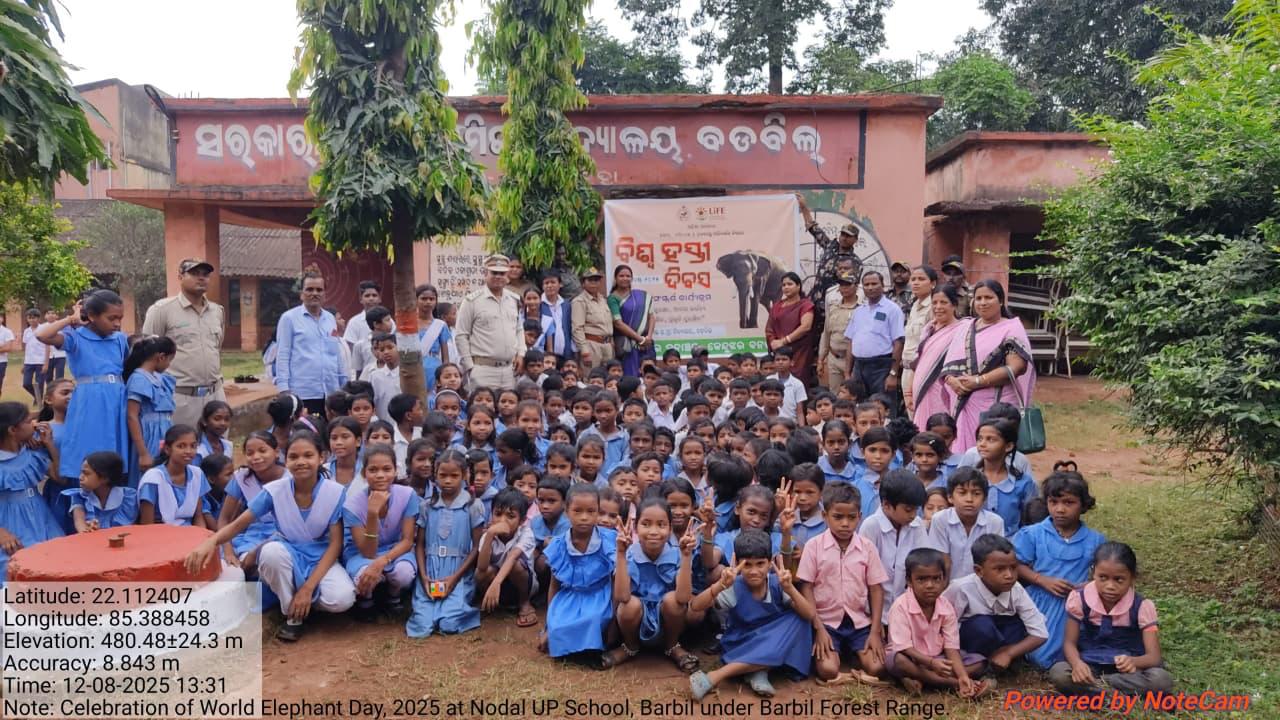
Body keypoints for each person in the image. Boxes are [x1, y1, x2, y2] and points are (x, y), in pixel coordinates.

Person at [186, 431, 356, 642]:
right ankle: (292, 614)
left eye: (308, 456)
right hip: (286, 552)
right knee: (271, 552)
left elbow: (335, 545)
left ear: (322, 457)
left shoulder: (335, 492)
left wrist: (307, 588)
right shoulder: (275, 490)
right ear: (286, 459)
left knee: (343, 599)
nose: (300, 462)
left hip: (320, 557)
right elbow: (239, 523)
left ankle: (303, 601)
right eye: (294, 457)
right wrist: (211, 542)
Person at [688, 529, 816, 699]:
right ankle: (717, 676)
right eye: (747, 565)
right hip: (742, 643)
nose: (754, 571)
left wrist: (790, 589)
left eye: (760, 564)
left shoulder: (778, 584)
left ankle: (757, 670)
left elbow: (809, 615)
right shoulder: (734, 585)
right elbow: (695, 606)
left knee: (799, 618)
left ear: (770, 563)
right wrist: (720, 585)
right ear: (737, 562)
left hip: (774, 639)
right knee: (778, 639)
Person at [1050, 542, 1174, 696]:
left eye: (1119, 580)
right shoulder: (1079, 599)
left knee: (1161, 680)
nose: (1110, 586)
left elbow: (1154, 657)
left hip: (1127, 672)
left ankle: (1099, 688)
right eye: (1103, 578)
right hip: (1089, 663)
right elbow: (1069, 643)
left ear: (1132, 578)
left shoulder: (1141, 606)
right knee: (1059, 673)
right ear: (1093, 572)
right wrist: (1077, 664)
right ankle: (1117, 692)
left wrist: (1133, 662)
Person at [797, 482, 889, 684]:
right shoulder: (814, 546)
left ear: (860, 517)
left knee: (878, 667)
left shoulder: (867, 547)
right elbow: (807, 587)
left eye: (851, 517)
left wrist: (874, 631)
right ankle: (846, 668)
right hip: (826, 621)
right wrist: (818, 628)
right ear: (825, 516)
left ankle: (854, 659)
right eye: (838, 517)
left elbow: (876, 589)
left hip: (858, 621)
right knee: (828, 669)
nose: (845, 524)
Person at [1014, 467, 1106, 669]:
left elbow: (1105, 574)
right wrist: (1041, 580)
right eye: (1053, 502)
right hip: (1040, 602)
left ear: (1083, 505)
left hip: (1077, 605)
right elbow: (1016, 565)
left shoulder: (1095, 540)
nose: (1060, 509)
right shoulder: (1033, 534)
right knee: (1039, 656)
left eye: (1068, 503)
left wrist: (1088, 586)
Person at [37, 291, 130, 483]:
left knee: (116, 446)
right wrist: (71, 319)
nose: (117, 323)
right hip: (90, 399)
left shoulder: (120, 339)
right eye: (111, 318)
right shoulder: (75, 338)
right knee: (90, 443)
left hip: (117, 397)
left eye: (120, 318)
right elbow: (42, 335)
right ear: (93, 316)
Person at [940, 279, 1035, 454]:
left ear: (1000, 300)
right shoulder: (965, 327)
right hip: (963, 402)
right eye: (978, 298)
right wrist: (952, 381)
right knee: (965, 453)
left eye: (988, 297)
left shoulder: (1011, 328)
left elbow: (1017, 367)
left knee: (995, 451)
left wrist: (978, 381)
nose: (983, 303)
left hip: (996, 404)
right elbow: (949, 364)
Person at [606, 499, 699, 671]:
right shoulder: (629, 553)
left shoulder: (677, 554)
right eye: (646, 524)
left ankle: (672, 646)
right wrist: (620, 554)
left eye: (661, 525)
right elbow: (621, 596)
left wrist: (687, 556)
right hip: (636, 619)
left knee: (673, 601)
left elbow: (684, 597)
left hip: (667, 621)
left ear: (670, 528)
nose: (654, 531)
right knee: (629, 605)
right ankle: (630, 646)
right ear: (635, 528)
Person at [884, 548, 990, 697]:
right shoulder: (900, 606)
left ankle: (922, 680)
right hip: (912, 658)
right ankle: (951, 684)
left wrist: (962, 675)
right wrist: (931, 664)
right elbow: (905, 648)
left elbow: (951, 647)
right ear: (909, 581)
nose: (929, 585)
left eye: (936, 579)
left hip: (938, 658)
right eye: (921, 579)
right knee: (897, 660)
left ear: (944, 579)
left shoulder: (945, 606)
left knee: (980, 663)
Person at [407, 448, 485, 637]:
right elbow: (420, 545)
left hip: (458, 571)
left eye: (454, 475)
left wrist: (455, 577)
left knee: (449, 624)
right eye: (442, 475)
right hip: (431, 569)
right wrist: (424, 576)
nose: (448, 481)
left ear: (465, 475)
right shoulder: (427, 506)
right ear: (435, 475)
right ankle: (427, 613)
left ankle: (457, 610)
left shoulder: (473, 506)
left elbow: (476, 547)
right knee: (421, 627)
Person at [943, 534, 1048, 672]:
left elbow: (1040, 633)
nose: (1009, 575)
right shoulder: (961, 588)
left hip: (1002, 642)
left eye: (1013, 568)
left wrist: (1009, 653)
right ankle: (981, 667)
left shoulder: (1016, 589)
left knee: (1018, 625)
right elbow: (942, 626)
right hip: (968, 642)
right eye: (1000, 569)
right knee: (983, 626)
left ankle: (1001, 662)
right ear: (979, 571)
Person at [141, 258, 227, 428]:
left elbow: (218, 347)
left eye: (205, 275)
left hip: (215, 395)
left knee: (217, 450)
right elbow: (147, 354)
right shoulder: (162, 310)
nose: (201, 278)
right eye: (194, 274)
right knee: (182, 450)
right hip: (180, 397)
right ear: (180, 276)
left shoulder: (217, 311)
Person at [540, 483, 617, 658]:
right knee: (559, 625)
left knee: (594, 618)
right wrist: (548, 626)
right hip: (569, 596)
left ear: (598, 511)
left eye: (591, 511)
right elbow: (554, 586)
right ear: (566, 511)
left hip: (599, 596)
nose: (584, 517)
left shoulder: (609, 540)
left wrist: (614, 620)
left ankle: (588, 649)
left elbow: (614, 583)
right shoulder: (558, 545)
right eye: (577, 511)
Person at [0, 401, 65, 585]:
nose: (35, 424)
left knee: (55, 560)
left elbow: (59, 478)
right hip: (8, 522)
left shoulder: (31, 452)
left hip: (40, 516)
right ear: (13, 430)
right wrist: (1, 533)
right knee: (15, 568)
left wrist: (50, 445)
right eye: (29, 421)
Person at [275, 272, 347, 418]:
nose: (314, 293)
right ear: (302, 294)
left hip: (331, 393)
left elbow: (335, 353)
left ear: (325, 294)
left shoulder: (330, 319)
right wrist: (284, 389)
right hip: (303, 392)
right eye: (309, 289)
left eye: (319, 290)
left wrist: (343, 385)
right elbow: (283, 354)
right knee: (305, 436)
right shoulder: (289, 319)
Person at [859, 469, 928, 610]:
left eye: (916, 510)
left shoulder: (918, 525)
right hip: (874, 608)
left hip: (907, 607)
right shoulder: (871, 526)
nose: (913, 515)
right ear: (886, 505)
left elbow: (922, 563)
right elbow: (864, 574)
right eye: (908, 510)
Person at [456, 255, 524, 391]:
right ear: (485, 273)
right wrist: (470, 367)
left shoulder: (513, 300)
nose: (498, 276)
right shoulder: (472, 301)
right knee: (482, 410)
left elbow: (518, 329)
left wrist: (521, 354)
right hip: (483, 369)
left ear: (507, 275)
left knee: (507, 410)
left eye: (502, 273)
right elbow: (461, 335)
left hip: (509, 370)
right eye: (494, 272)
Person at [925, 467, 1004, 579]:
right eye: (962, 493)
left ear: (985, 498)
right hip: (948, 586)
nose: (969, 499)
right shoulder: (940, 519)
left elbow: (994, 562)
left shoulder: (995, 522)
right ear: (950, 497)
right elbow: (943, 562)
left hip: (982, 586)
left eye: (976, 494)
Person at [124, 335, 177, 486]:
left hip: (164, 432)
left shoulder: (159, 377)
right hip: (148, 437)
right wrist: (143, 453)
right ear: (161, 357)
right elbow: (132, 416)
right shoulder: (139, 379)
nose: (168, 365)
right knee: (148, 478)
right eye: (169, 360)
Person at [908, 285, 964, 425]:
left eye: (944, 302)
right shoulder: (928, 328)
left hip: (943, 391)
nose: (938, 307)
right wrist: (909, 391)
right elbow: (919, 361)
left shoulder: (962, 330)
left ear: (954, 305)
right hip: (921, 389)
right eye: (934, 302)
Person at [844, 271, 905, 398]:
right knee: (860, 407)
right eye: (866, 284)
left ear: (883, 285)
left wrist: (893, 374)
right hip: (859, 366)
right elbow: (851, 342)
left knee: (881, 405)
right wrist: (847, 373)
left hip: (881, 367)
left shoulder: (893, 310)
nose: (870, 287)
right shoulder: (859, 311)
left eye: (874, 283)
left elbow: (898, 342)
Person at [797, 195, 862, 307]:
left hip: (834, 305)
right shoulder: (830, 246)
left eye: (848, 236)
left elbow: (851, 287)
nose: (844, 238)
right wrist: (803, 207)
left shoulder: (855, 262)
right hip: (814, 302)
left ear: (855, 240)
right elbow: (814, 228)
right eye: (843, 234)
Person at [138, 425, 209, 527]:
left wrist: (202, 538)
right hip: (160, 534)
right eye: (181, 446)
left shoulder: (197, 474)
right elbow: (147, 525)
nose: (188, 451)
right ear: (167, 449)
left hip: (190, 534)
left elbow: (198, 517)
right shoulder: (153, 479)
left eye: (193, 446)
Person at [764, 272, 816, 386]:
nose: (786, 287)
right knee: (777, 386)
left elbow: (806, 327)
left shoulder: (805, 305)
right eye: (784, 285)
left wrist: (784, 341)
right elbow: (769, 328)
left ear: (798, 286)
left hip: (799, 353)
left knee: (798, 384)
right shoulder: (777, 306)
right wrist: (773, 342)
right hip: (779, 352)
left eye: (790, 284)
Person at [66, 451, 138, 532]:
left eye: (86, 473)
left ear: (104, 478)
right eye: (81, 472)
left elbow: (130, 529)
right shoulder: (79, 496)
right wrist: (88, 529)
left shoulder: (128, 497)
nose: (80, 477)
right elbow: (79, 522)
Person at [607, 265, 655, 378]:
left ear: (632, 278)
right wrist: (639, 339)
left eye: (628, 276)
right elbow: (618, 323)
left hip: (646, 344)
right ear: (615, 278)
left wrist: (648, 337)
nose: (625, 278)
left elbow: (651, 316)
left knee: (650, 375)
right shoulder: (612, 298)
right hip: (627, 346)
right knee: (631, 376)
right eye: (621, 276)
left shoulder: (642, 295)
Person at [900, 266, 937, 407]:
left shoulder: (934, 306)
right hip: (907, 367)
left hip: (922, 369)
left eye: (921, 279)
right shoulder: (915, 305)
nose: (915, 283)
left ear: (933, 283)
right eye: (913, 279)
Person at [818, 271, 858, 391]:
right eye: (841, 285)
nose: (844, 288)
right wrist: (821, 359)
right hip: (833, 358)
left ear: (856, 286)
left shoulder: (862, 308)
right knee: (835, 394)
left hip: (853, 361)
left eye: (848, 285)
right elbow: (826, 333)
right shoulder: (833, 307)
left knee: (852, 395)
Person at [571, 266, 614, 373]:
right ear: (583, 283)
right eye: (590, 280)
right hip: (591, 345)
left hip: (607, 345)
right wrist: (585, 351)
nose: (594, 283)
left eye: (596, 280)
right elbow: (577, 328)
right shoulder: (579, 301)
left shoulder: (603, 300)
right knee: (591, 378)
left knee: (608, 379)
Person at [342, 280, 391, 348]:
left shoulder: (388, 321)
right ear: (361, 299)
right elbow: (349, 346)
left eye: (374, 295)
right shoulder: (354, 323)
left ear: (380, 299)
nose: (371, 298)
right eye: (367, 296)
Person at [540, 272, 575, 360]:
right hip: (545, 355)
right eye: (546, 283)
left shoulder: (566, 305)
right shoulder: (538, 304)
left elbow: (571, 328)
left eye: (553, 282)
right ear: (542, 286)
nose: (550, 285)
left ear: (560, 284)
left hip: (566, 354)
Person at [21, 308, 49, 406]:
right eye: (30, 318)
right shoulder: (26, 331)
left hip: (40, 361)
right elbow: (26, 348)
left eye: (34, 318)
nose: (32, 320)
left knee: (39, 383)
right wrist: (23, 364)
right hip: (29, 361)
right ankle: (38, 397)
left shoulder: (43, 329)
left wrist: (46, 363)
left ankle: (38, 403)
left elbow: (47, 346)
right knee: (26, 383)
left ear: (38, 318)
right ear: (27, 319)